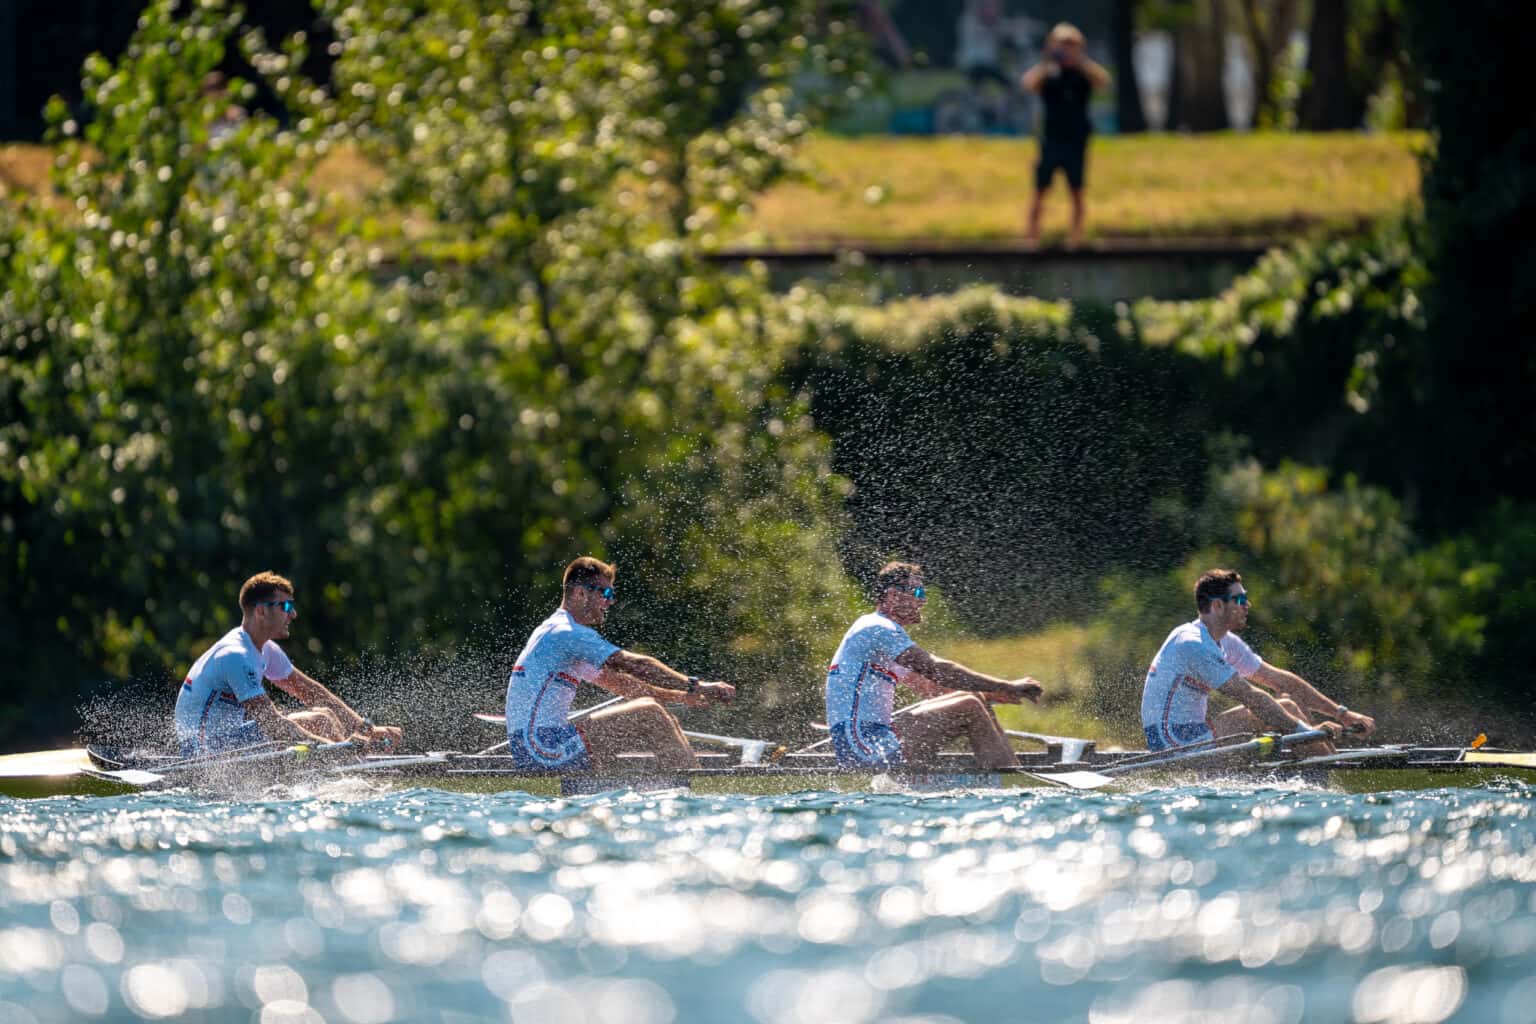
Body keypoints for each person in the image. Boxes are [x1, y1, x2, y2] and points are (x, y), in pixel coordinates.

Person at [505, 557, 735, 771]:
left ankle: (674, 785)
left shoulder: (557, 634)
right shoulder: (567, 633)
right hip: (541, 749)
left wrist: (680, 696)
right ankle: (696, 792)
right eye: (604, 593)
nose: (610, 600)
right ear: (579, 594)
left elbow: (624, 686)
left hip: (537, 748)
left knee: (652, 708)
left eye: (612, 593)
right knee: (650, 713)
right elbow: (635, 665)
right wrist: (695, 685)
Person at [825, 561, 1043, 770]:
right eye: (918, 593)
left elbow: (934, 687)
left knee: (974, 698)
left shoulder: (883, 637)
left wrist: (992, 693)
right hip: (863, 745)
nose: (923, 601)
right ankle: (1008, 782)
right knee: (970, 706)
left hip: (877, 737)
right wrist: (1006, 684)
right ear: (893, 596)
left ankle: (1010, 769)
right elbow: (937, 670)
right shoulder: (878, 628)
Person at [1141, 569, 1377, 754]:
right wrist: (1309, 733)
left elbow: (1281, 681)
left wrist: (1342, 714)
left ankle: (1323, 768)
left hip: (1195, 735)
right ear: (1217, 605)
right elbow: (1251, 697)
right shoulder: (1193, 644)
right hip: (1173, 744)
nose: (1248, 605)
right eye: (1240, 599)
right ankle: (1327, 778)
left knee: (1288, 705)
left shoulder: (1225, 641)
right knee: (1280, 711)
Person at [174, 572, 402, 757]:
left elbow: (312, 693)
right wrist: (336, 750)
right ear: (261, 611)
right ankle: (347, 769)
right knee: (319, 722)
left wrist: (367, 730)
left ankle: (349, 766)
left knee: (323, 713)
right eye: (284, 607)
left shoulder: (265, 649)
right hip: (203, 752)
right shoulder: (236, 655)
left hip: (229, 740)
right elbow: (272, 724)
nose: (293, 613)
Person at [1021, 22, 1110, 245]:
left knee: (1077, 191)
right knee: (1040, 190)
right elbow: (1028, 84)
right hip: (1051, 139)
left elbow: (1103, 82)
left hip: (1076, 140)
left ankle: (1076, 238)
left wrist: (1081, 61)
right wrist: (1048, 62)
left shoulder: (1083, 73)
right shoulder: (1048, 73)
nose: (1066, 49)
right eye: (1062, 45)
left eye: (1071, 45)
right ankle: (1032, 237)